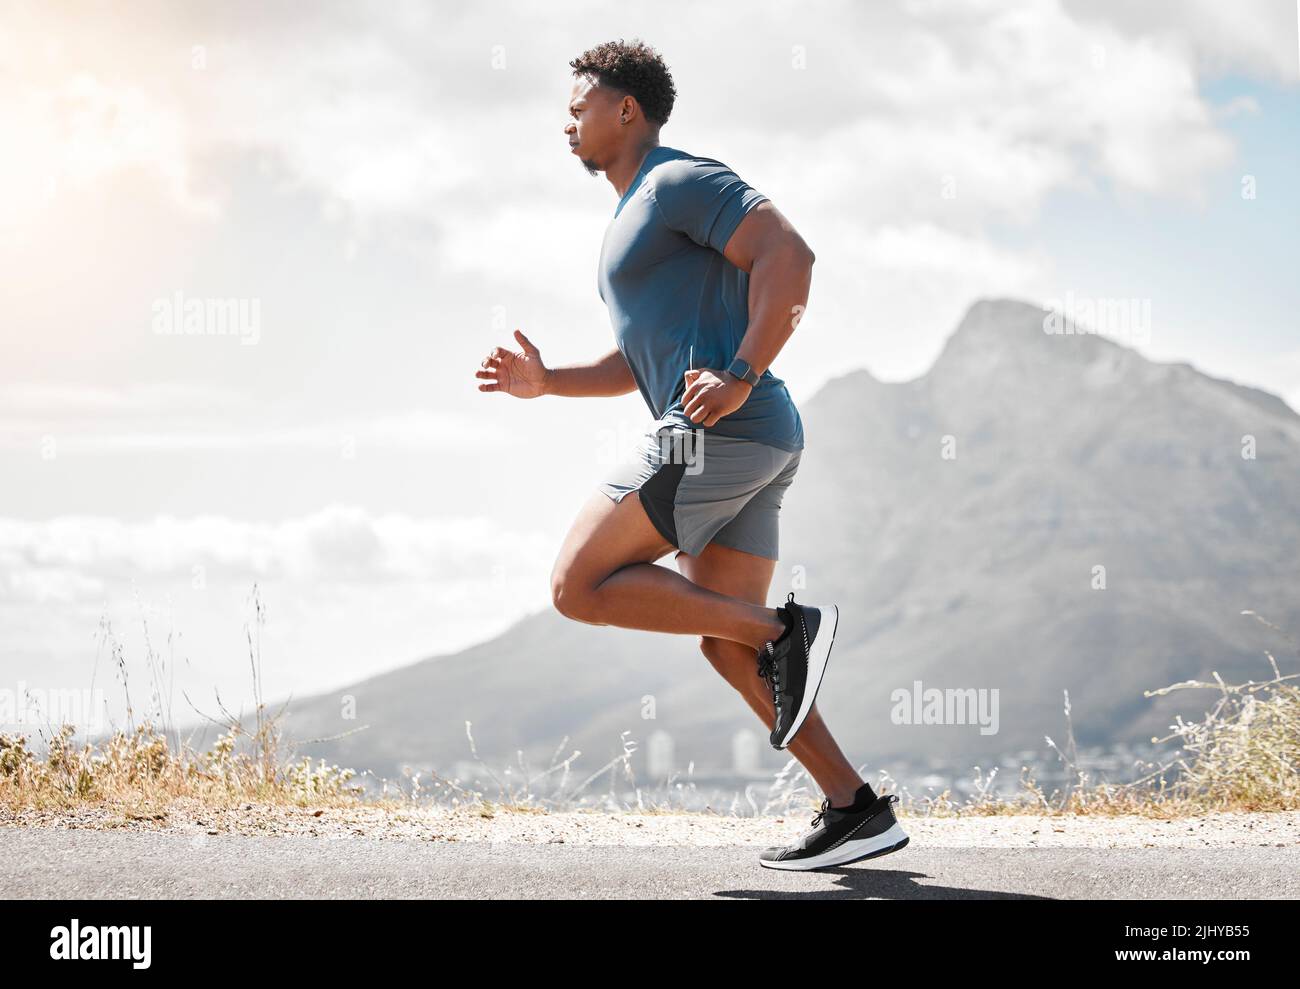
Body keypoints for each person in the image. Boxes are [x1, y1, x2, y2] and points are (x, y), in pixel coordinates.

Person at [475, 38, 907, 870]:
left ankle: (789, 627)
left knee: (577, 584)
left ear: (625, 109)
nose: (566, 123)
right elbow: (638, 362)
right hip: (755, 436)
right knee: (726, 644)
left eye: (578, 107)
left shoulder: (677, 180)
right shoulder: (630, 218)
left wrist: (742, 373)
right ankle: (856, 807)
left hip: (722, 429)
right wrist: (546, 380)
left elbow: (791, 254)